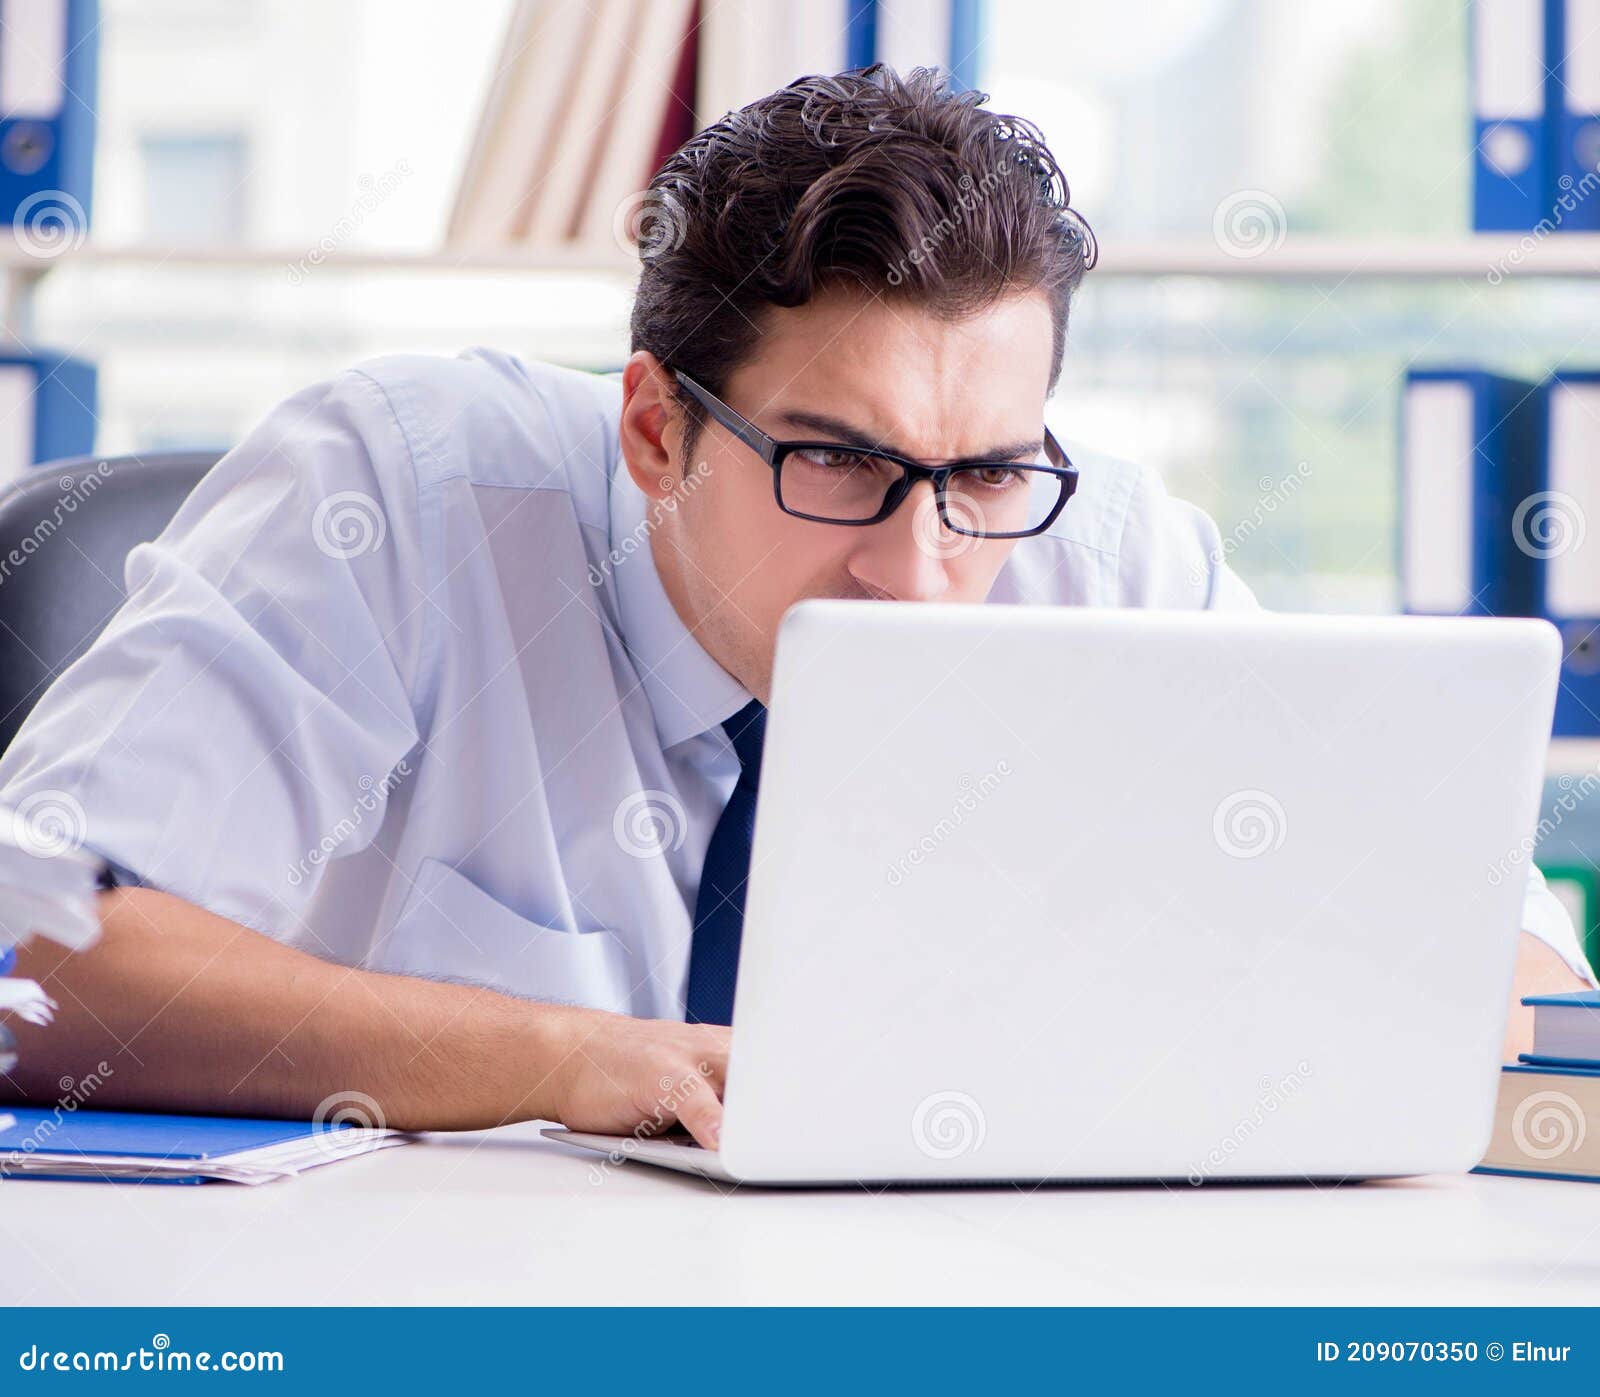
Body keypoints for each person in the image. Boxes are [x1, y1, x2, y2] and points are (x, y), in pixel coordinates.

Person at [0, 68, 1589, 1149]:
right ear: (652, 428)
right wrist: (566, 1058)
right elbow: (29, 949)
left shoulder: (1092, 553)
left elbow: (1518, 956)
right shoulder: (402, 491)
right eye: (836, 460)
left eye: (982, 473)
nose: (917, 570)